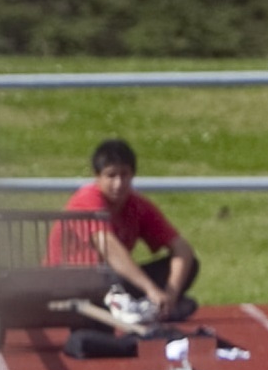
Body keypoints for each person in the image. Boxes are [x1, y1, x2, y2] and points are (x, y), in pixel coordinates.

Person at [48, 140, 200, 331]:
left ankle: (155, 307)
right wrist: (151, 289)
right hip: (70, 281)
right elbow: (109, 248)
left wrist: (171, 293)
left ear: (132, 175)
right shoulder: (87, 200)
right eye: (111, 176)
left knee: (191, 265)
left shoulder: (137, 205)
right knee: (111, 278)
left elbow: (182, 249)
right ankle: (140, 305)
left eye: (124, 175)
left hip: (110, 279)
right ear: (97, 177)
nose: (118, 184)